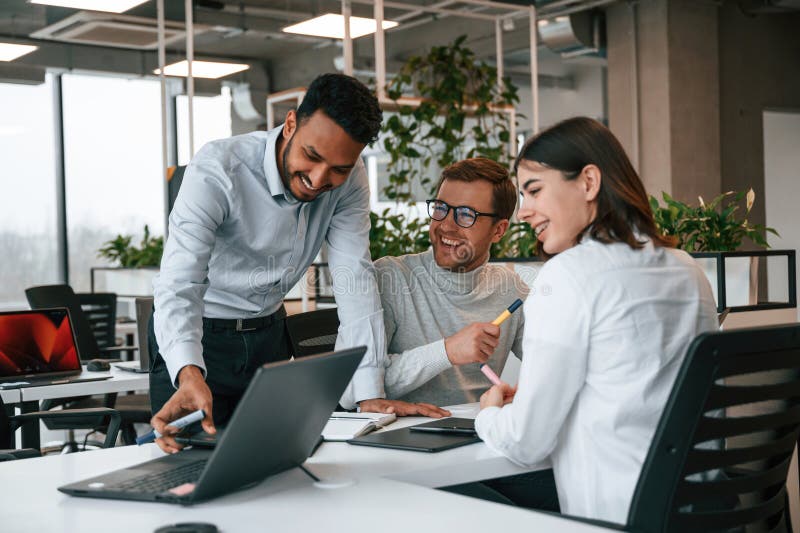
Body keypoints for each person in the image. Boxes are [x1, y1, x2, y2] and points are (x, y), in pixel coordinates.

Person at [474, 117, 718, 522]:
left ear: (589, 182)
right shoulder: (687, 269)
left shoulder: (567, 275)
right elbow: (641, 392)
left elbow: (526, 441)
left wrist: (489, 414)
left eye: (534, 190)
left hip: (616, 517)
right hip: (701, 513)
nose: (524, 212)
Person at [149, 73, 393, 454]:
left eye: (338, 169)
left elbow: (354, 279)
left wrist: (369, 394)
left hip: (270, 339)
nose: (318, 179)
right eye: (311, 156)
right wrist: (188, 371)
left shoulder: (350, 180)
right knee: (189, 470)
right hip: (200, 339)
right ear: (290, 124)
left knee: (278, 464)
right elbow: (180, 282)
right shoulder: (219, 168)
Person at [363, 158, 528, 410]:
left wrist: (528, 392)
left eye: (465, 215)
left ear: (499, 230)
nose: (445, 225)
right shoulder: (391, 277)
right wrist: (447, 352)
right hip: (401, 437)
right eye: (441, 208)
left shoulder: (511, 289)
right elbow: (362, 385)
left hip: (479, 434)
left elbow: (552, 367)